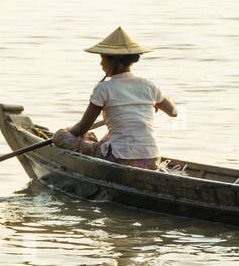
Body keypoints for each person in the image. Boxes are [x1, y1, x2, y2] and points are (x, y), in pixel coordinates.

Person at [53, 27, 177, 168]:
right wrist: (155, 103)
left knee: (60, 136)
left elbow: (81, 128)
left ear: (115, 61)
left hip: (119, 158)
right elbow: (174, 112)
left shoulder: (104, 88)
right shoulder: (149, 85)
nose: (101, 64)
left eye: (103, 59)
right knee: (99, 137)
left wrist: (68, 132)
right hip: (152, 159)